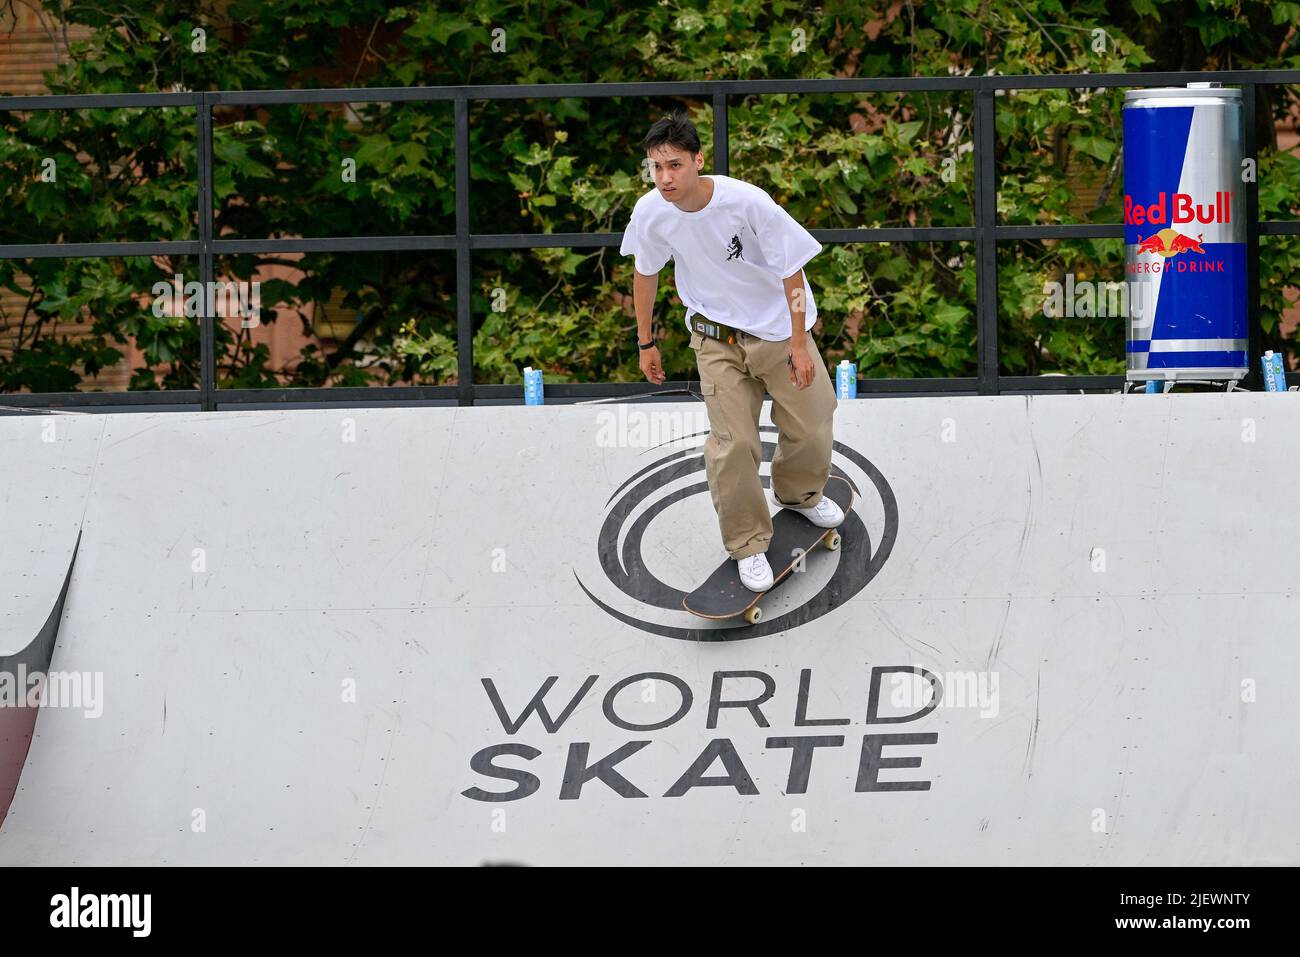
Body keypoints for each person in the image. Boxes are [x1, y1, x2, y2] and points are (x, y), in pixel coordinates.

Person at [619, 110, 842, 592]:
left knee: (813, 418)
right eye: (656, 168)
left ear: (699, 160)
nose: (665, 178)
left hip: (779, 331)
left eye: (675, 165)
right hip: (714, 338)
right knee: (733, 444)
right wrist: (645, 341)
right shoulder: (651, 212)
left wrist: (800, 344)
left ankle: (798, 494)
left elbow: (793, 271)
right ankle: (748, 543)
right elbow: (646, 273)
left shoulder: (746, 203)